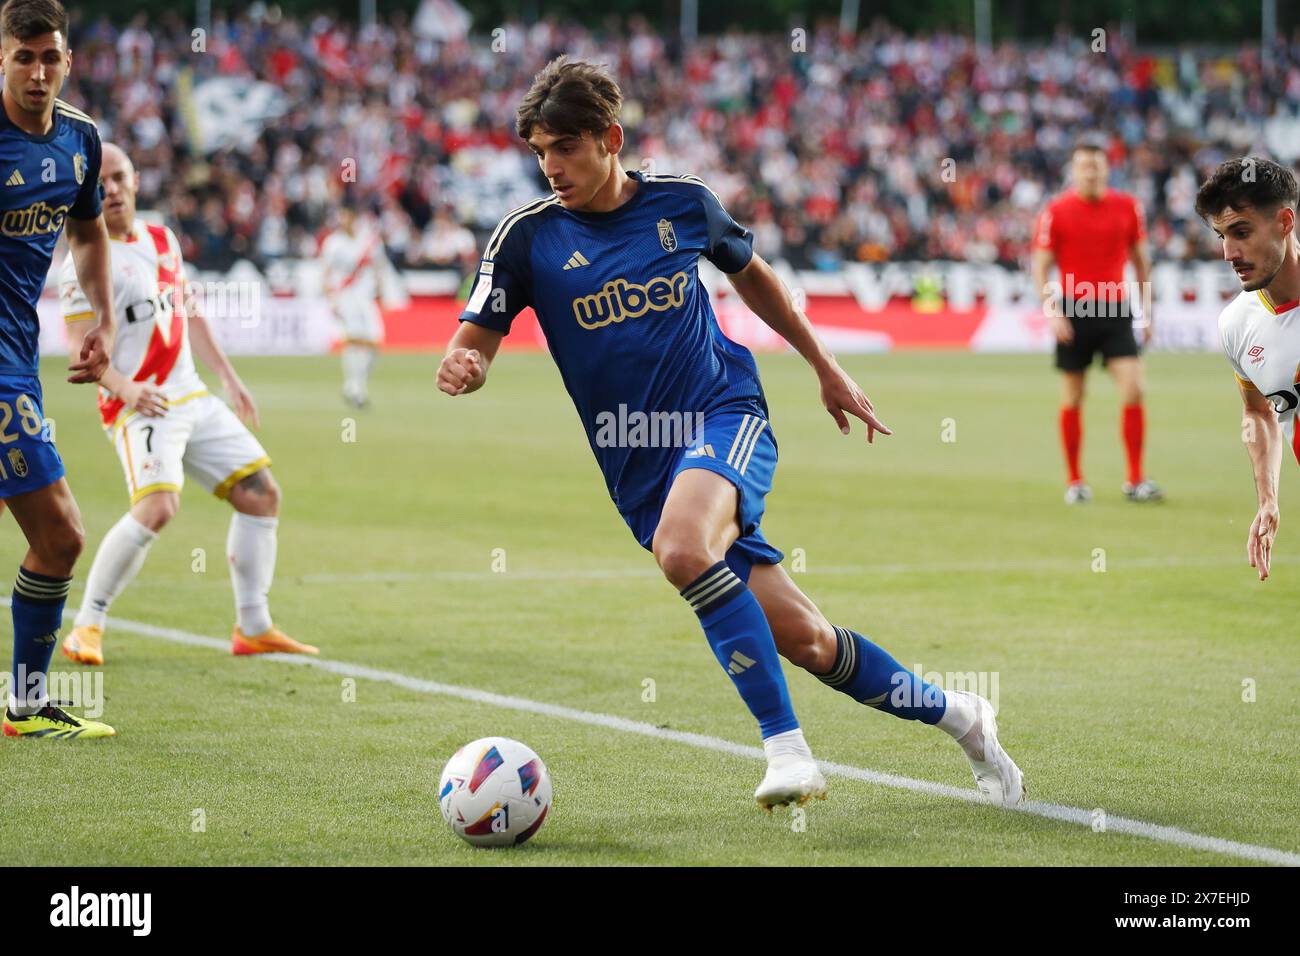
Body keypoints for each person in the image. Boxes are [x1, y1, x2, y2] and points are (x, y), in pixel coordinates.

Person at [438, 57, 1025, 810]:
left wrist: (825, 366)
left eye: (567, 148)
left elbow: (754, 276)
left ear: (610, 138)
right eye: (540, 152)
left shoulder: (683, 204)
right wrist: (464, 367)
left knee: (682, 549)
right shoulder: (526, 238)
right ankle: (963, 718)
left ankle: (787, 753)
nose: (552, 167)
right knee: (810, 641)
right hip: (638, 468)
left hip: (723, 415)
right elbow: (473, 339)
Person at [59, 142, 316, 663]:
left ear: (136, 181)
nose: (110, 190)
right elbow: (81, 355)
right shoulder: (82, 263)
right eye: (99, 182)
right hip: (137, 404)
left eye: (119, 178)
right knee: (158, 505)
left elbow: (189, 309)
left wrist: (228, 376)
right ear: (85, 191)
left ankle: (253, 626)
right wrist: (129, 390)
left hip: (190, 394)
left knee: (261, 493)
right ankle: (88, 624)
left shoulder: (162, 239)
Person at [0, 0, 115, 738]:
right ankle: (26, 701)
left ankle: (26, 701)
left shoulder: (80, 140)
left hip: (18, 358)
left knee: (59, 538)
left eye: (51, 57)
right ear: (0, 58)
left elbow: (89, 231)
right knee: (63, 535)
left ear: (68, 58)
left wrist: (101, 318)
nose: (39, 72)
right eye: (23, 58)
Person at [1032, 143, 1163, 504]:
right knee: (1074, 394)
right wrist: (1052, 309)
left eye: (1096, 166)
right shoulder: (1056, 211)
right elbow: (1040, 265)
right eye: (1083, 166)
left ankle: (1135, 480)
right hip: (1075, 310)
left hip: (1115, 308)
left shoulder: (1128, 207)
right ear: (1073, 171)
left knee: (1134, 387)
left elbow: (1141, 262)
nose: (1090, 172)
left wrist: (1147, 311)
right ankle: (1075, 481)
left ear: (1107, 169)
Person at [1196, 157, 1300, 582]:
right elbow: (1258, 412)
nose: (1228, 253)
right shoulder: (1236, 325)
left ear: (1284, 222)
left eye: (1241, 232)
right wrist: (1268, 497)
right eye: (1222, 236)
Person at [320, 204, 384, 408]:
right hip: (345, 298)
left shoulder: (368, 241)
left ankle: (354, 385)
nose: (343, 220)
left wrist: (379, 292)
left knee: (375, 342)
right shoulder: (333, 243)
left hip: (365, 298)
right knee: (354, 342)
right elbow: (326, 272)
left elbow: (377, 267)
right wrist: (331, 299)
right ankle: (355, 388)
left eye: (347, 216)